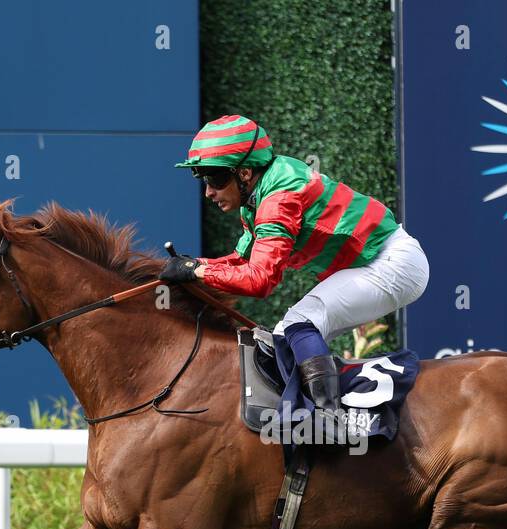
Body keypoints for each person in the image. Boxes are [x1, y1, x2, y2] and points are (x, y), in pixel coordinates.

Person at [160, 114, 429, 420]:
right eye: (203, 179)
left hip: (393, 263)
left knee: (299, 323)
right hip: (382, 261)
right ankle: (330, 414)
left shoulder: (278, 199)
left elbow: (259, 280)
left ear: (245, 173)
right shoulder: (259, 196)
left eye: (214, 179)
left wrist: (196, 272)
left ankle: (329, 422)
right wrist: (195, 266)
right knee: (285, 338)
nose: (209, 191)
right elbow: (241, 260)